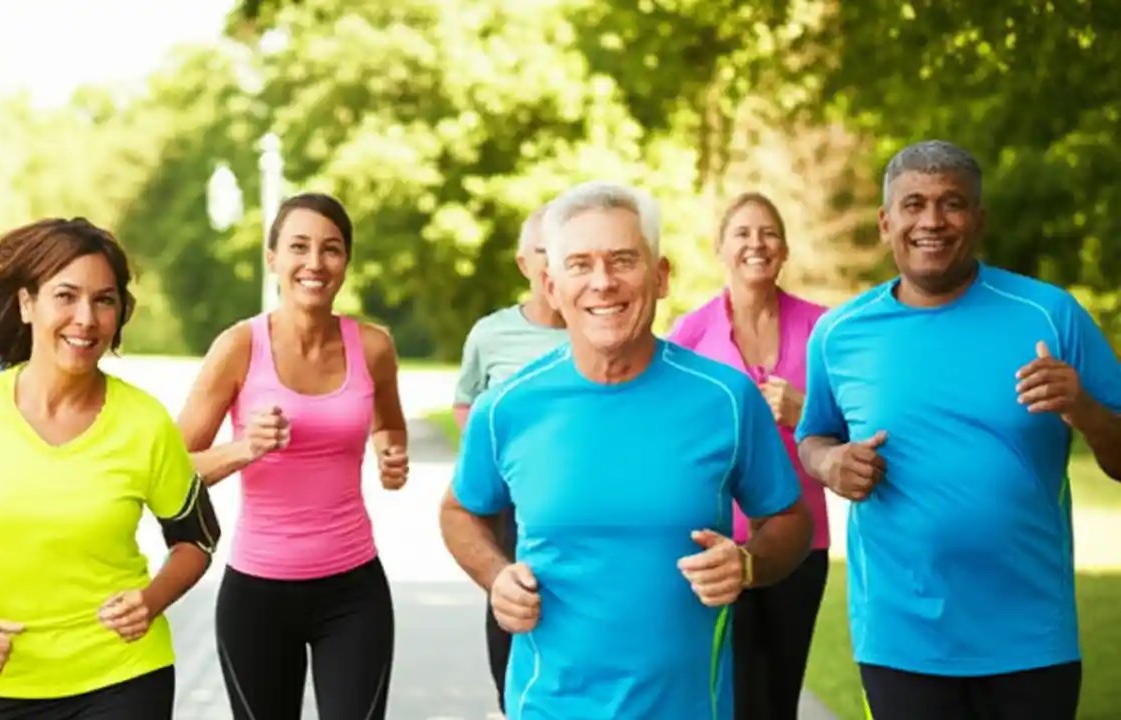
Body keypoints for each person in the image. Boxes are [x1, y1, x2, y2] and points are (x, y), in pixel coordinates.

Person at [440, 180, 814, 719]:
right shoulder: (506, 407)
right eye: (581, 265)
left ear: (659, 277)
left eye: (622, 261)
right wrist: (496, 575)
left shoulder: (726, 400)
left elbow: (789, 519)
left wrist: (749, 564)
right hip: (547, 705)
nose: (603, 283)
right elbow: (460, 510)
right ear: (551, 283)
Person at [795, 139, 1121, 720]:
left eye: (952, 204)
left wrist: (1085, 410)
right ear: (885, 221)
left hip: (1030, 634)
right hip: (900, 636)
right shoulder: (839, 334)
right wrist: (830, 464)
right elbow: (813, 436)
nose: (932, 221)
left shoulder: (1049, 314)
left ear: (979, 219)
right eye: (914, 203)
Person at [0, 217, 219, 720]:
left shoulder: (145, 421)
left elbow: (197, 538)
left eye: (104, 300)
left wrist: (152, 599)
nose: (85, 318)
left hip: (123, 676)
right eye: (65, 296)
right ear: (27, 304)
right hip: (3, 680)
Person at [177, 193, 409, 720]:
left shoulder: (373, 347)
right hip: (257, 596)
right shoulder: (239, 347)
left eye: (331, 249)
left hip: (353, 592)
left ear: (346, 262)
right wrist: (244, 448)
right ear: (272, 258)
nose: (315, 263)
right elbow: (170, 467)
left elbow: (389, 425)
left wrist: (390, 455)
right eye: (298, 247)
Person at [668, 192, 830, 720]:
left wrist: (802, 410)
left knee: (778, 694)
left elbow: (863, 429)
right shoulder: (691, 333)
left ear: (784, 250)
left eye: (768, 233)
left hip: (801, 539)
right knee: (722, 693)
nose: (756, 244)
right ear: (720, 249)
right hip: (716, 541)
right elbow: (667, 432)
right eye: (742, 233)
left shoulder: (824, 330)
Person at [452, 203, 567, 713]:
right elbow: (465, 402)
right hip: (511, 509)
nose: (555, 265)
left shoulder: (596, 329)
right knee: (512, 613)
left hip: (581, 504)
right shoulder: (491, 334)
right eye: (545, 252)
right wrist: (491, 458)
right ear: (525, 263)